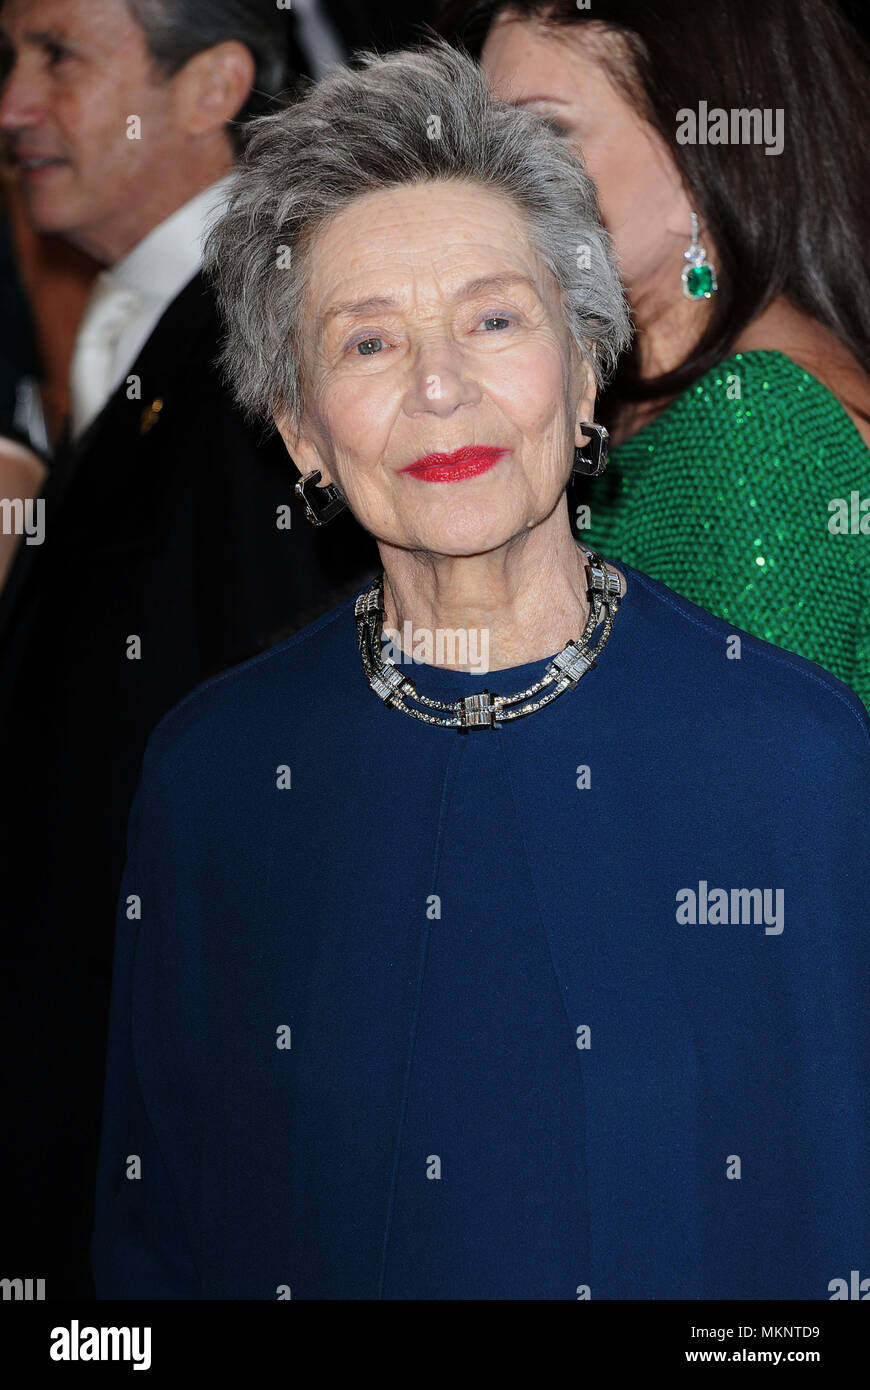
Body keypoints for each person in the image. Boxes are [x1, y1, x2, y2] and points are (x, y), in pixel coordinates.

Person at [92, 40, 869, 1301]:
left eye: (495, 321)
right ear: (300, 431)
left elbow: (835, 1227)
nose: (440, 389)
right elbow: (164, 1239)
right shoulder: (218, 773)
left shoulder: (787, 758)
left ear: (583, 369)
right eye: (368, 344)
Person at [0, 0, 375, 1299]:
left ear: (215, 82)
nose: (12, 107)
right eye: (11, 61)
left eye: (57, 57)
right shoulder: (150, 325)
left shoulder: (262, 344)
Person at [436, 0, 870, 708]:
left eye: (548, 132)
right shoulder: (638, 391)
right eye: (486, 140)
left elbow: (737, 786)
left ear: (698, 165)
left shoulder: (760, 423)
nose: (490, 184)